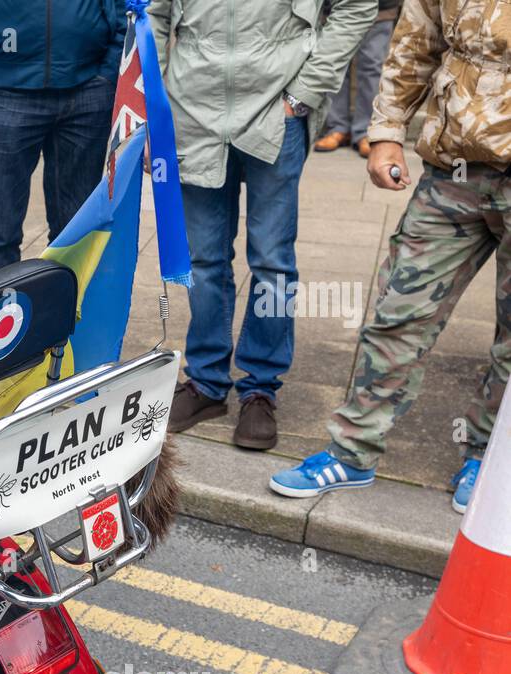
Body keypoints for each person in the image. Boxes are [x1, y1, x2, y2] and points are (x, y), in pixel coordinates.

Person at [271, 0, 511, 515]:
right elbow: (414, 44)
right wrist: (386, 133)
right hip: (455, 172)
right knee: (397, 314)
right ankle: (353, 451)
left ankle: (489, 461)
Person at [152, 0, 374, 450]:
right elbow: (152, 14)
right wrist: (154, 103)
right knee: (203, 258)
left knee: (273, 260)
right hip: (192, 112)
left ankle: (260, 388)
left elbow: (358, 6)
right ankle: (206, 382)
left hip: (278, 111)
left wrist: (306, 92)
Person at [0, 0, 123, 409]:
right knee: (0, 235)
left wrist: (108, 72)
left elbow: (128, 11)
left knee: (75, 236)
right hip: (5, 91)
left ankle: (66, 349)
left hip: (88, 89)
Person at [314, 0, 401, 158]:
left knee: (372, 67)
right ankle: (337, 128)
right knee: (334, 63)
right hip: (335, 9)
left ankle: (366, 131)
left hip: (380, 9)